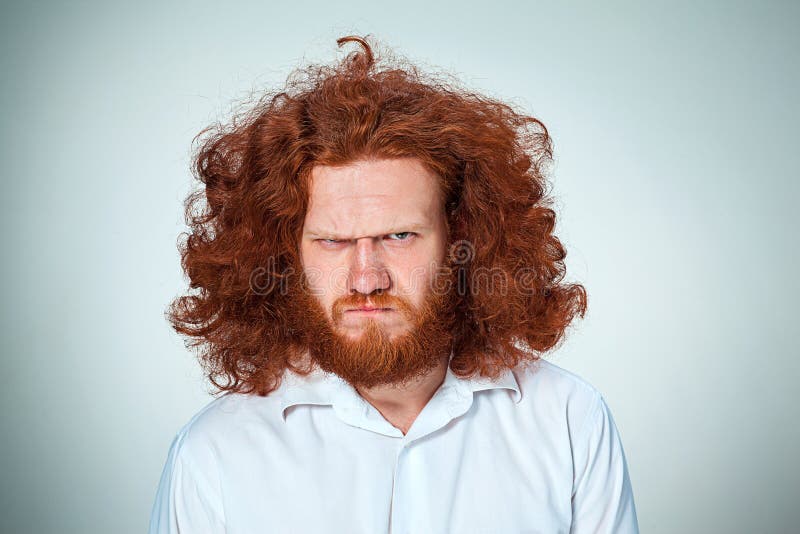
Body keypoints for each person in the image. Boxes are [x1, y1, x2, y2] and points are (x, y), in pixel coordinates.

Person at [149, 35, 639, 533]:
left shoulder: (570, 421)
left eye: (400, 235)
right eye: (333, 241)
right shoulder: (214, 454)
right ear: (286, 254)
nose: (366, 279)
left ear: (462, 236)